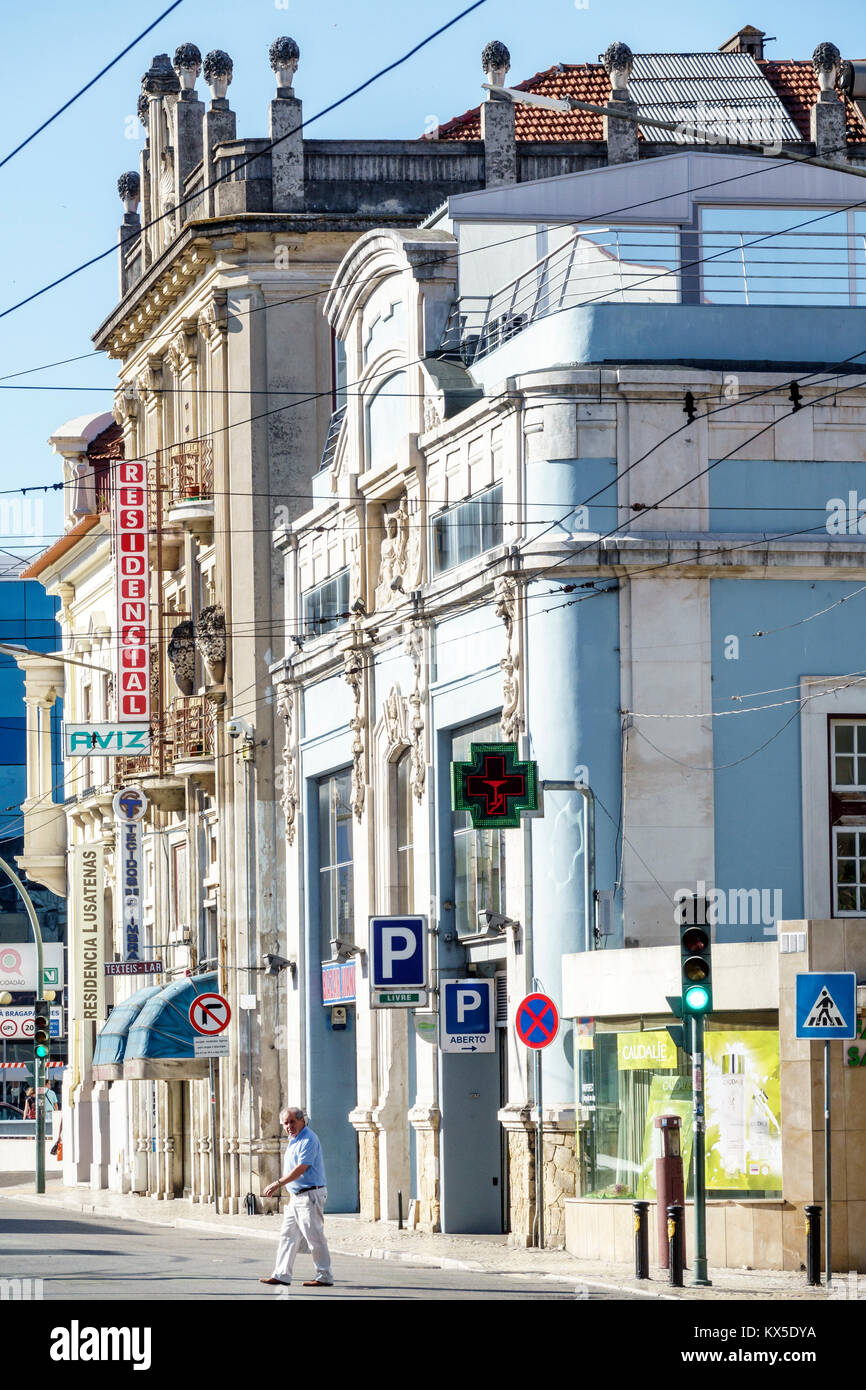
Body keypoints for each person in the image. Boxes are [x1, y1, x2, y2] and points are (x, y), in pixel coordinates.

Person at [259, 1107, 334, 1289]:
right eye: (285, 1123)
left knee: (314, 1237)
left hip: (310, 1195)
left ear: (302, 1120)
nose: (289, 1126)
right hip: (296, 1196)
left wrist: (277, 1183)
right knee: (287, 1235)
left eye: (292, 1122)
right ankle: (282, 1274)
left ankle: (324, 1275)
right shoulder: (294, 1139)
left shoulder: (309, 1139)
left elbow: (302, 1168)